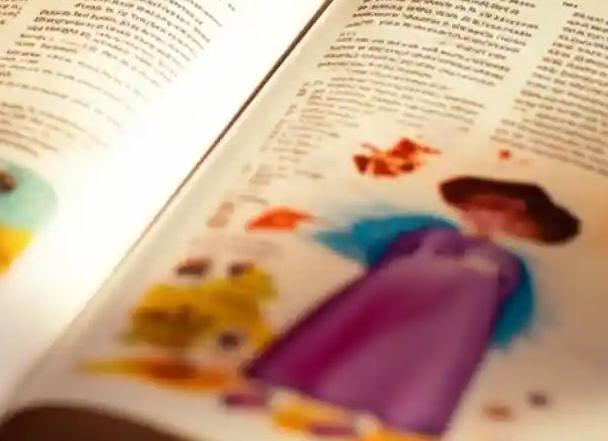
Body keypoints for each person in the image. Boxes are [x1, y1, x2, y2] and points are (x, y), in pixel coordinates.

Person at [235, 176, 580, 438]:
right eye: (480, 208)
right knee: (336, 340)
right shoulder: (434, 233)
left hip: (446, 324)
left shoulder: (505, 261)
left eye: (499, 215)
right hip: (385, 296)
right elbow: (391, 255)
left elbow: (503, 300)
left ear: (519, 223)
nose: (484, 218)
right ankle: (271, 394)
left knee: (405, 369)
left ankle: (360, 421)